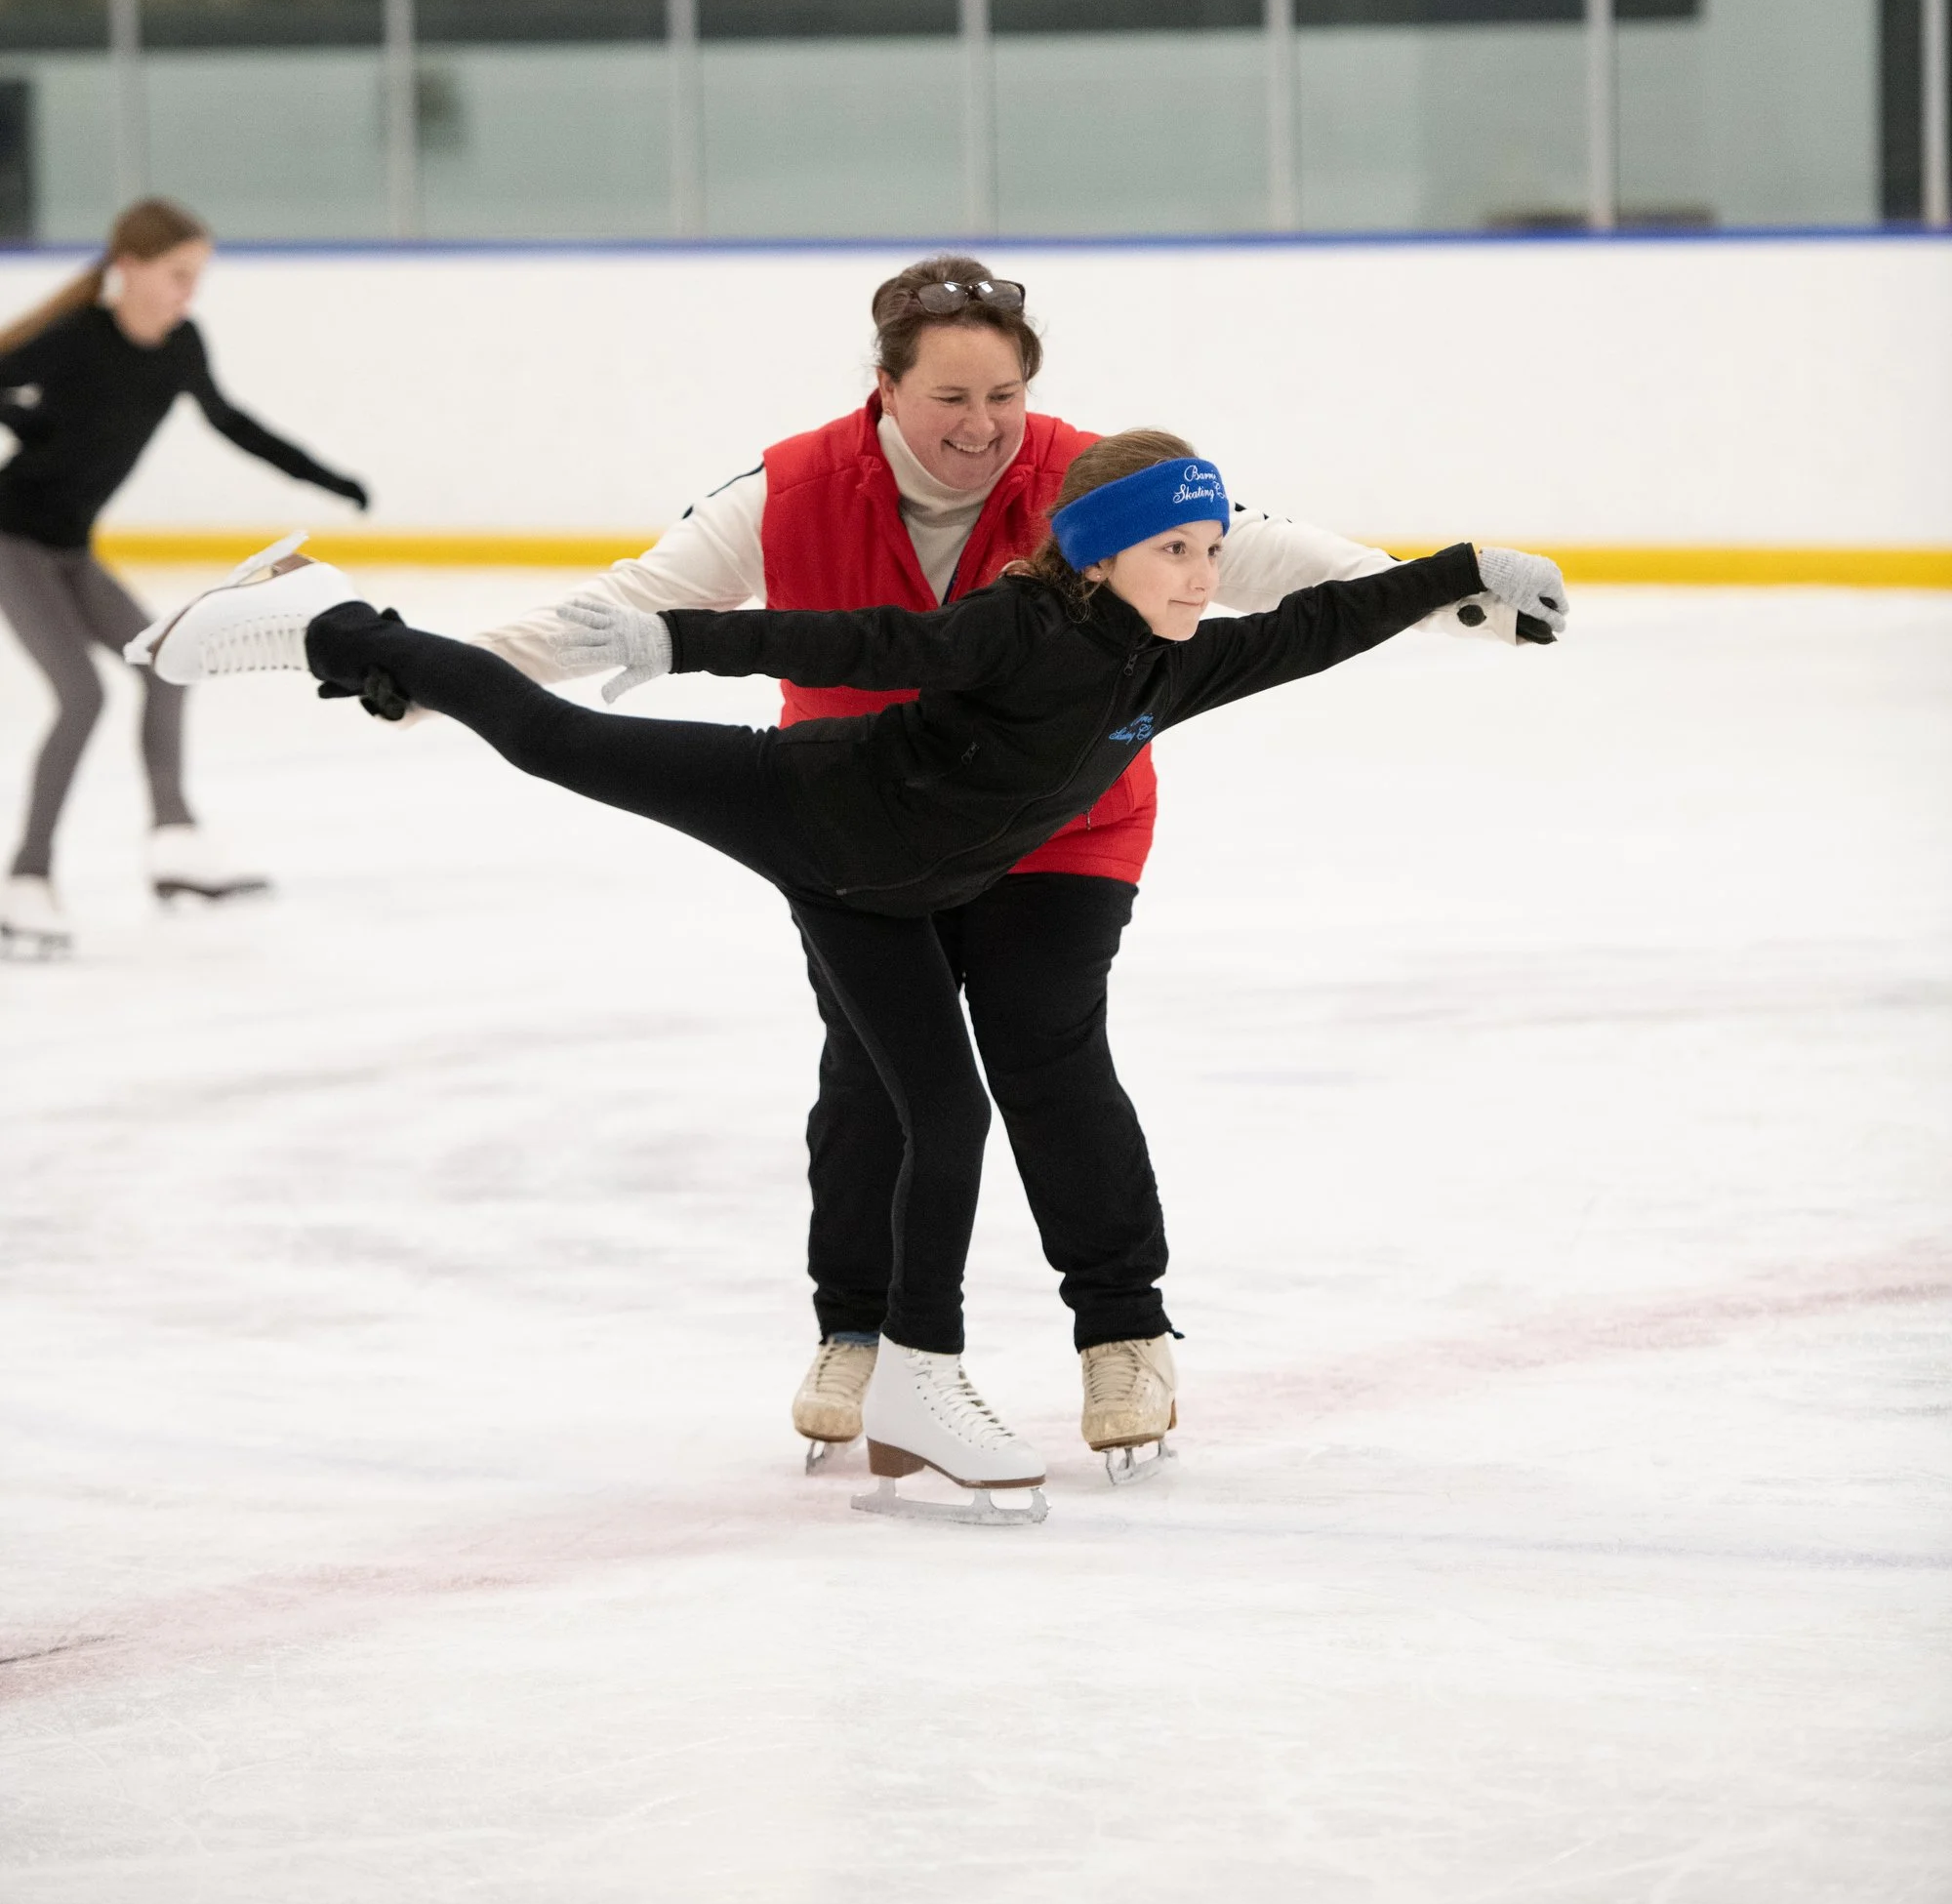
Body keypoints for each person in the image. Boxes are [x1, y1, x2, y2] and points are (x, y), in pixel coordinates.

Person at [132, 443, 1567, 1522]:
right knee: (545, 737)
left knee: (946, 1120)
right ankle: (332, 622)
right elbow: (863, 642)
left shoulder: (1167, 664)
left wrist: (1459, 572)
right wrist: (679, 640)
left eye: (1207, 549)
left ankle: (913, 1376)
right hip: (811, 815)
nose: (1204, 575)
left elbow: (1315, 628)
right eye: (1177, 551)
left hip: (898, 899)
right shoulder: (1028, 629)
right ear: (1105, 554)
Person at [468, 256, 1551, 1479]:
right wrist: (433, 680)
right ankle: (856, 1334)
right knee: (874, 1077)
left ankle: (1122, 1334)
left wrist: (1465, 597)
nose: (981, 429)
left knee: (1044, 1049)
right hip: (867, 827)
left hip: (1065, 828)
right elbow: (644, 605)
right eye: (948, 401)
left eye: (1004, 398)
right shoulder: (790, 488)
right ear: (882, 389)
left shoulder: (1088, 479)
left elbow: (1278, 566)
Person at [0, 197, 369, 954]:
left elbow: (231, 422)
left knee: (167, 664)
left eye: (196, 278)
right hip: (10, 539)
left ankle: (175, 844)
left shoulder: (178, 345)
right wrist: (35, 428)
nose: (187, 293)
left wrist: (326, 478)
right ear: (129, 269)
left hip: (71, 546)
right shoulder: (78, 338)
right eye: (177, 275)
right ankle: (25, 882)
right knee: (81, 696)